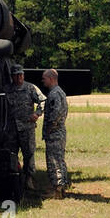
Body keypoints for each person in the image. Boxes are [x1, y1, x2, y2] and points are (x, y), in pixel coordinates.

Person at [4, 63, 45, 191]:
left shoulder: (30, 88)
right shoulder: (6, 89)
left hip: (27, 128)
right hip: (11, 130)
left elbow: (44, 100)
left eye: (21, 75)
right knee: (12, 155)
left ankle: (29, 179)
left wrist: (37, 114)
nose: (19, 77)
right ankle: (14, 178)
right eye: (16, 75)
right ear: (12, 77)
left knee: (29, 155)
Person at [40, 68, 69, 198]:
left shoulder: (54, 94)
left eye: (44, 78)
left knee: (54, 161)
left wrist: (50, 128)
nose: (42, 81)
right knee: (59, 159)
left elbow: (56, 114)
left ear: (51, 79)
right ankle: (62, 187)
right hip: (59, 131)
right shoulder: (59, 92)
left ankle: (57, 190)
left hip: (55, 133)